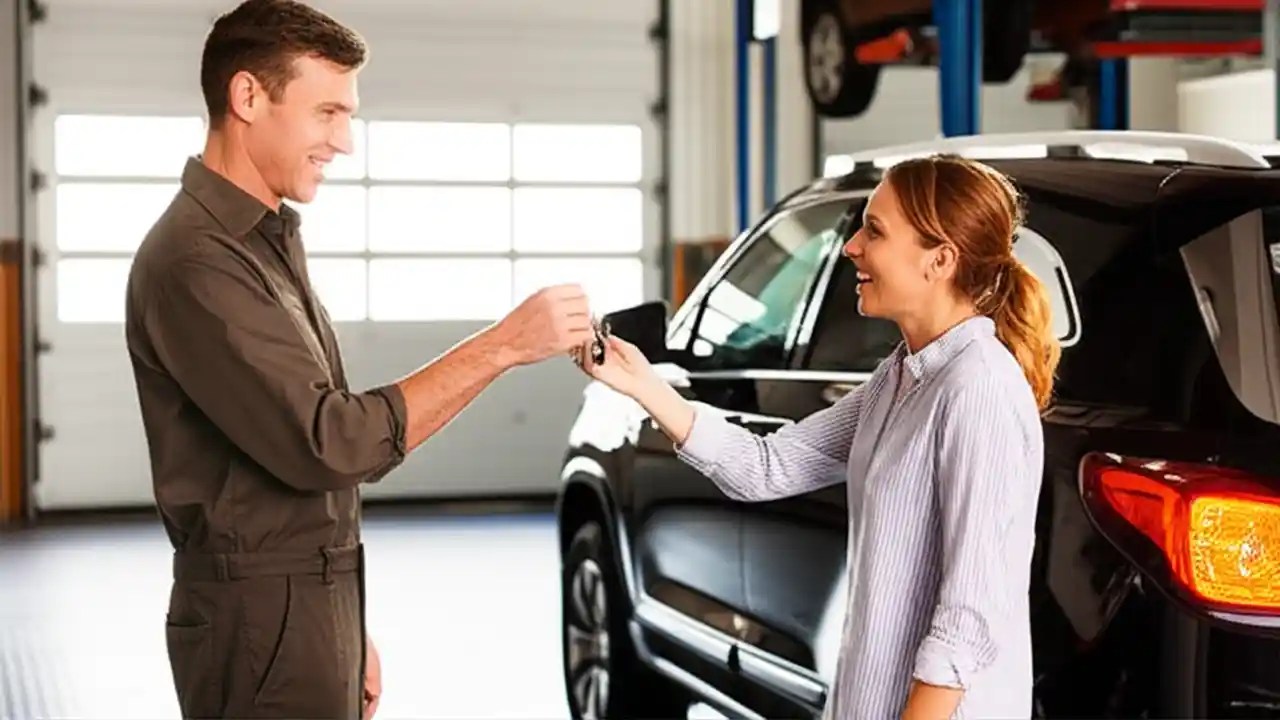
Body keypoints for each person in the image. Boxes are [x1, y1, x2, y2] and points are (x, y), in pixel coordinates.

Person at [124, 1, 596, 718]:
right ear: (247, 96)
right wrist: (502, 346)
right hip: (261, 622)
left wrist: (340, 621)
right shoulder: (197, 261)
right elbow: (331, 440)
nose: (343, 142)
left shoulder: (261, 243)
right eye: (327, 114)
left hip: (299, 610)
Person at [576, 154, 1060, 719]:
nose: (852, 247)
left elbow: (970, 615)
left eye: (874, 231)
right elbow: (767, 467)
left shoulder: (978, 388)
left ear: (940, 260)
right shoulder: (901, 376)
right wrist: (642, 382)